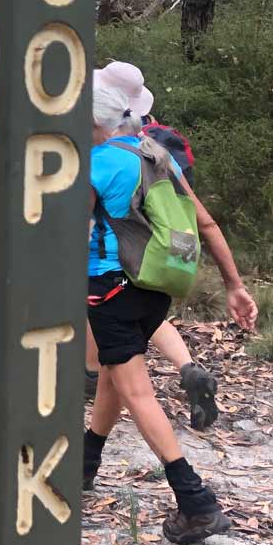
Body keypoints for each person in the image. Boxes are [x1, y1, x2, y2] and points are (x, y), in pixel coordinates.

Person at [83, 80, 258, 545]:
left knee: (137, 393)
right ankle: (85, 463)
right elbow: (204, 222)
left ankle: (195, 501)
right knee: (112, 374)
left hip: (109, 289)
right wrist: (234, 286)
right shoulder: (156, 154)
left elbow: (66, 231)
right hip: (156, 287)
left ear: (91, 121)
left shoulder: (94, 165)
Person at [82, 61, 217, 430]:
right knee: (143, 302)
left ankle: (93, 372)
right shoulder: (154, 138)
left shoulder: (107, 144)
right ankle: (187, 366)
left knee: (105, 298)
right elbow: (199, 215)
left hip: (123, 239)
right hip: (164, 237)